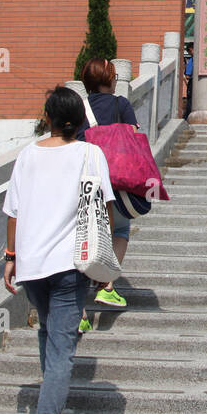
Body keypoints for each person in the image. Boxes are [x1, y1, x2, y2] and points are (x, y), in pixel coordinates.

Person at [2, 86, 112, 414]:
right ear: (81, 121)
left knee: (49, 334)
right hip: (70, 265)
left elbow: (13, 211)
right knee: (62, 348)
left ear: (47, 118)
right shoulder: (90, 153)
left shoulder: (27, 155)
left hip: (32, 266)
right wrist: (104, 262)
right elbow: (103, 208)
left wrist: (10, 257)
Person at [74, 57, 136, 309]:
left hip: (85, 180)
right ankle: (107, 286)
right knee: (119, 230)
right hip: (116, 179)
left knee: (81, 234)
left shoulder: (78, 107)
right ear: (111, 79)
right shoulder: (121, 104)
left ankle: (77, 309)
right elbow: (133, 136)